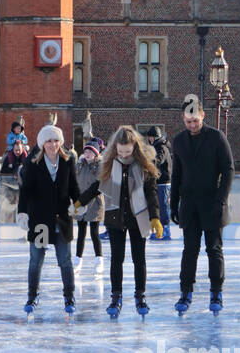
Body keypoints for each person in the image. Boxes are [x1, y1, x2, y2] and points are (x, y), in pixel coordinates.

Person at [18, 124, 97, 316]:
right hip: (40, 221)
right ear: (42, 143)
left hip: (61, 219)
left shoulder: (67, 161)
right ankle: (32, 295)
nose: (53, 145)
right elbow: (26, 190)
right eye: (49, 141)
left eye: (56, 141)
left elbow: (73, 187)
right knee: (36, 260)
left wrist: (79, 203)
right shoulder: (33, 163)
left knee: (65, 261)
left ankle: (69, 296)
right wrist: (22, 212)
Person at [91, 127, 164, 316]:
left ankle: (140, 296)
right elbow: (97, 186)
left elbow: (151, 192)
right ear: (115, 148)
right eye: (120, 151)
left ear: (135, 149)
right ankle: (116, 297)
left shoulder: (143, 166)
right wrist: (79, 201)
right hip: (115, 218)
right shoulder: (109, 164)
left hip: (138, 217)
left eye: (128, 152)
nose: (123, 155)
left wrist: (155, 217)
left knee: (139, 259)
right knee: (117, 259)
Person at [170, 105, 233, 314]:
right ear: (183, 119)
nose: (192, 125)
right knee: (189, 250)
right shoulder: (179, 141)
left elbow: (228, 169)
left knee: (214, 249)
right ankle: (186, 291)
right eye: (188, 122)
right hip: (189, 204)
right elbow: (176, 174)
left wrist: (221, 200)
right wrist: (173, 204)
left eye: (195, 120)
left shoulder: (216, 137)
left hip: (212, 202)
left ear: (202, 116)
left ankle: (216, 291)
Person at [72, 138, 105, 273]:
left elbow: (99, 185)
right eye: (85, 151)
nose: (87, 154)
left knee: (94, 233)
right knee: (80, 233)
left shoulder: (100, 166)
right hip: (81, 203)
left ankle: (99, 260)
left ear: (96, 154)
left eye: (90, 152)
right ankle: (78, 260)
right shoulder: (79, 165)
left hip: (94, 204)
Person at [146, 127, 172, 241]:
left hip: (163, 182)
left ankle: (165, 229)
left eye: (151, 137)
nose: (149, 139)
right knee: (157, 205)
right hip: (158, 182)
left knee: (162, 206)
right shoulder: (156, 147)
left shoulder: (161, 147)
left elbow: (158, 161)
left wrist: (147, 163)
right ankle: (159, 229)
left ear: (154, 137)